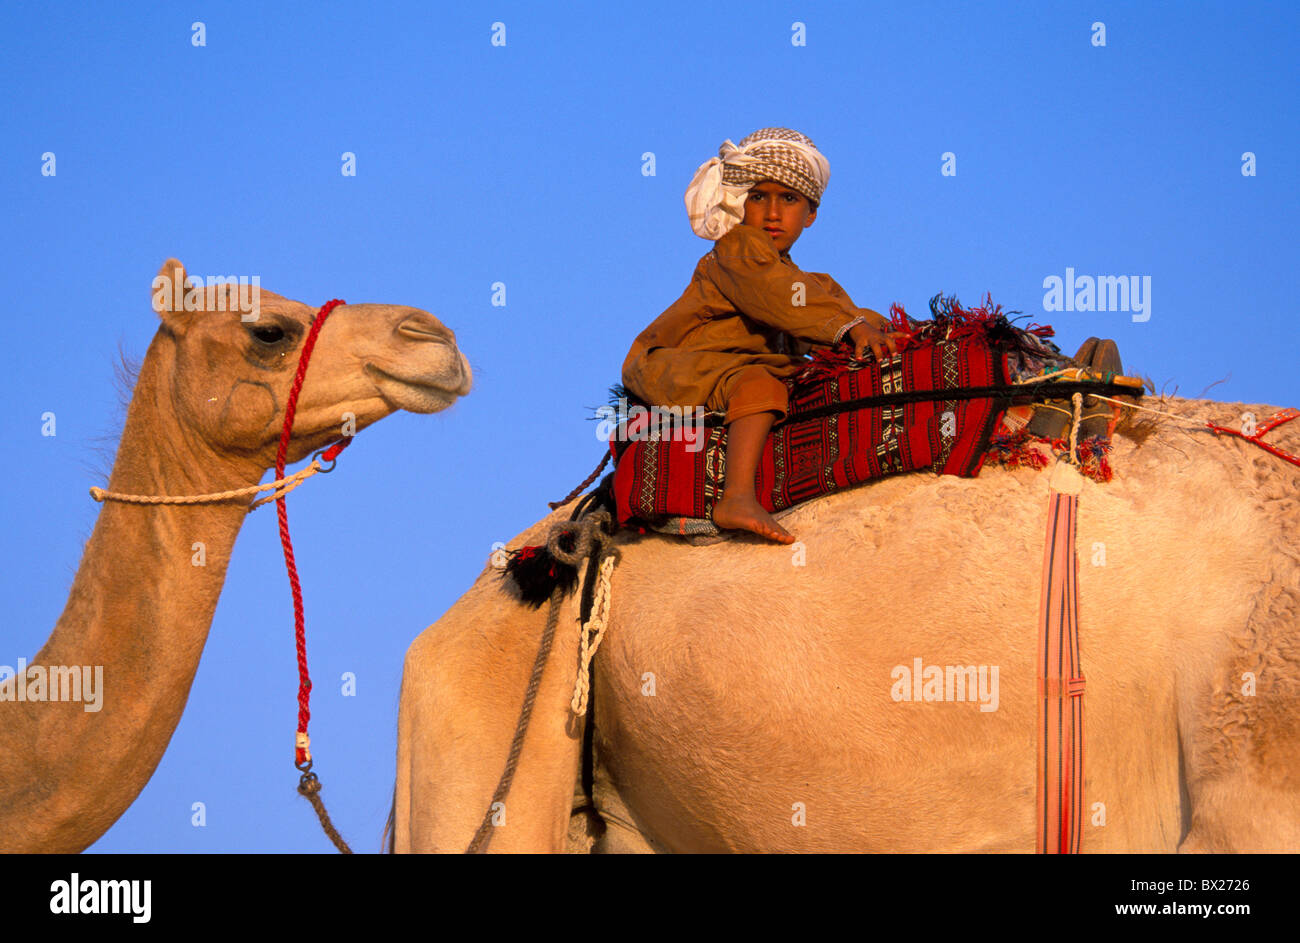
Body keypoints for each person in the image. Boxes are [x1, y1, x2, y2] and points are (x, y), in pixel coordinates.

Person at [622, 128, 901, 544]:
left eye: (788, 199)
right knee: (759, 385)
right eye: (758, 197)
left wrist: (887, 329)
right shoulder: (740, 248)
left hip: (733, 367)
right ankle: (736, 497)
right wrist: (848, 327)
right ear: (740, 205)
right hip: (683, 364)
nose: (772, 212)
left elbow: (837, 308)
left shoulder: (809, 283)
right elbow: (784, 297)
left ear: (811, 215)